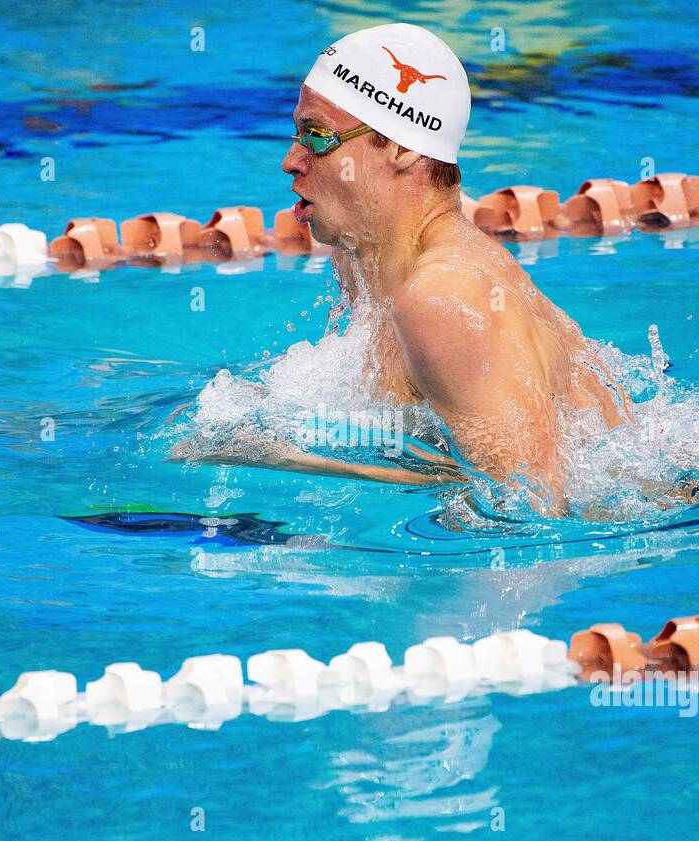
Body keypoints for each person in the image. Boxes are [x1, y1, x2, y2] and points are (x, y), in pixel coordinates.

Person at [177, 23, 631, 515]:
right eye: (297, 134)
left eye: (318, 138)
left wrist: (287, 456)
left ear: (403, 148)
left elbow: (533, 504)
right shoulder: (361, 253)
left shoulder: (444, 298)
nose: (291, 160)